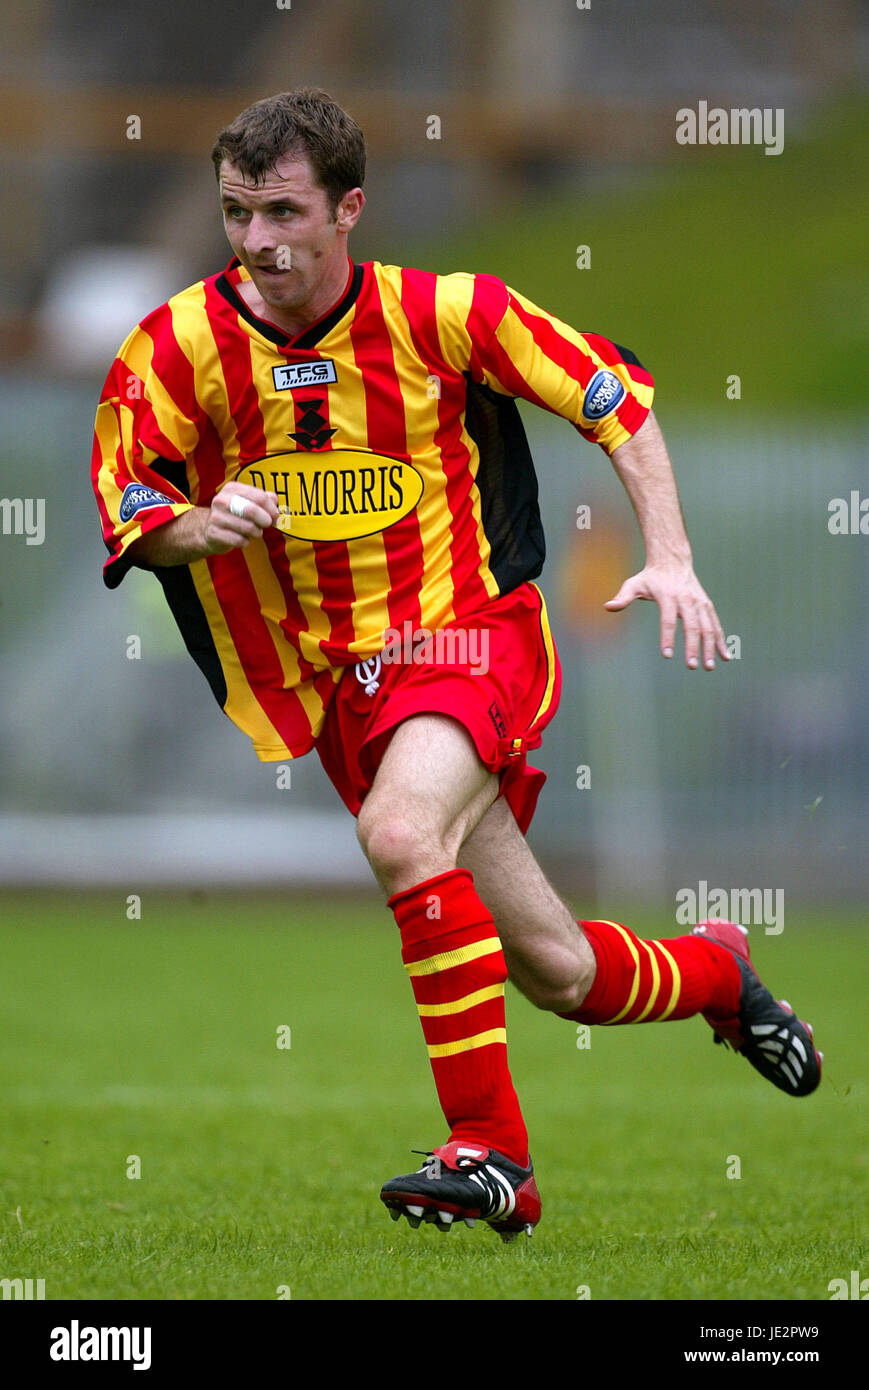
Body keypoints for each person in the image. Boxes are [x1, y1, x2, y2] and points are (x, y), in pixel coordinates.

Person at [91, 88, 821, 1243]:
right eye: (236, 213)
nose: (257, 242)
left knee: (396, 836)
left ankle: (494, 1156)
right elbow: (129, 496)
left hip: (470, 636)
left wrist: (670, 557)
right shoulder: (180, 341)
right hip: (347, 689)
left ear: (349, 210)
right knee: (558, 970)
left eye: (283, 212)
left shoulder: (447, 313)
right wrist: (197, 523)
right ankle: (719, 978)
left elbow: (611, 399)